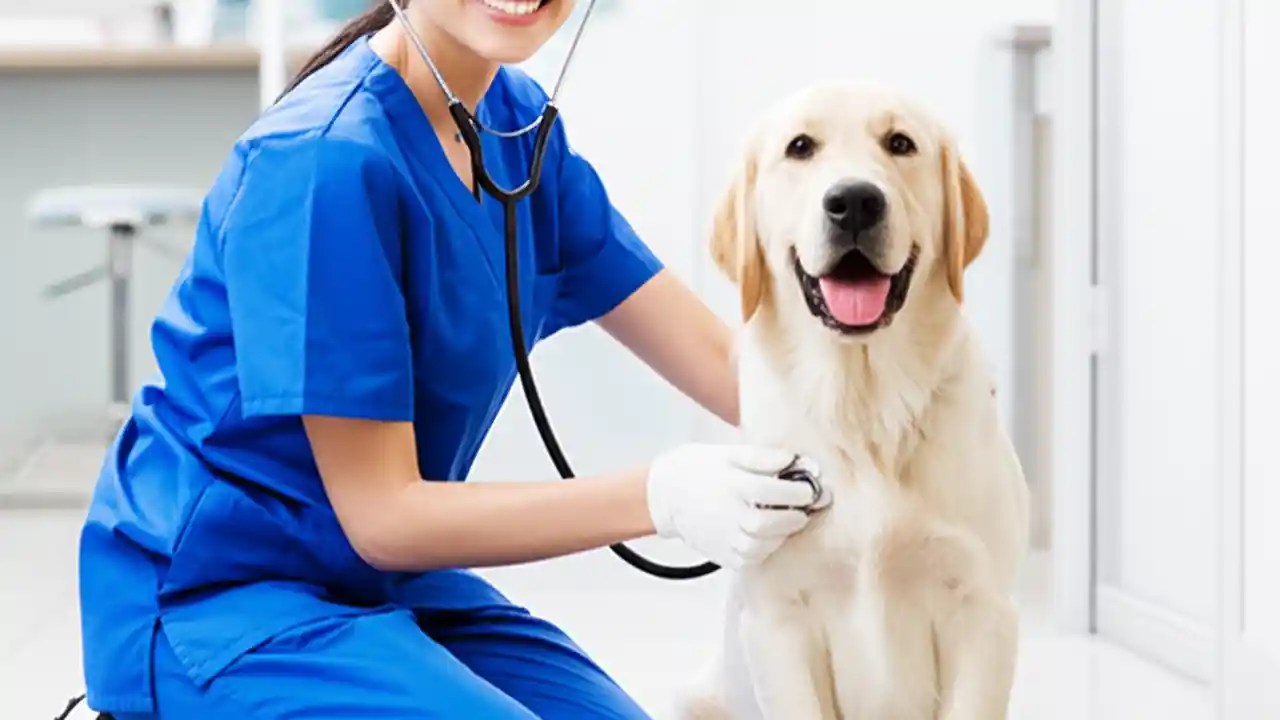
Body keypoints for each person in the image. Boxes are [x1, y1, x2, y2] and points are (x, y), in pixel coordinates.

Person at [78, 1, 826, 717]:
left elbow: (723, 360)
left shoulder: (517, 131)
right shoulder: (320, 162)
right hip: (220, 598)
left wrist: (897, 438)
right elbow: (384, 515)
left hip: (381, 581)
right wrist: (660, 497)